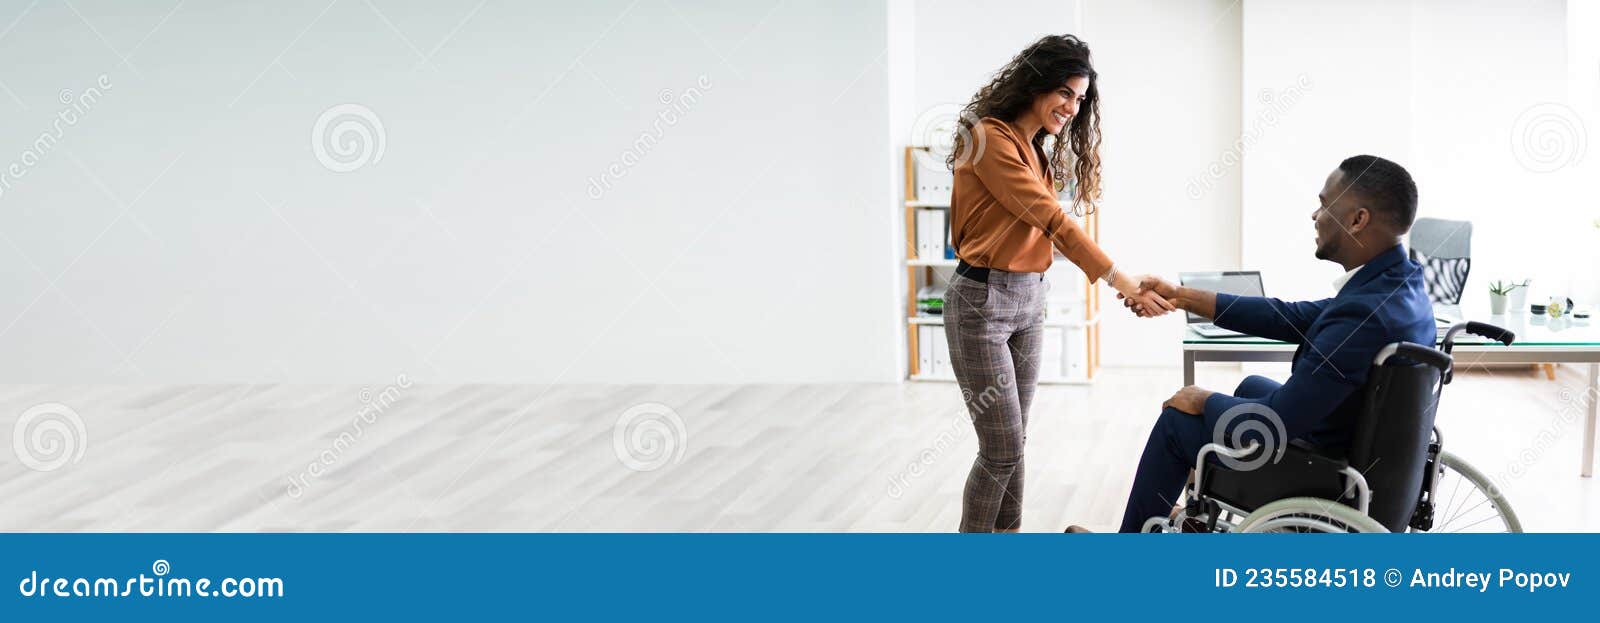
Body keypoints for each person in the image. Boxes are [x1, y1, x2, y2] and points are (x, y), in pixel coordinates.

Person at [1098, 155, 1435, 533]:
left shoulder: (1363, 315)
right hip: (1359, 446)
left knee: (1177, 422)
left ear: (1358, 220)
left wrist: (1202, 399)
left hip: (1326, 475)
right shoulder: (1396, 284)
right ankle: (1185, 518)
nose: (1315, 216)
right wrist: (1181, 296)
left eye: (1324, 205)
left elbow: (1278, 420)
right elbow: (1287, 316)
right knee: (1250, 386)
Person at [943, 34, 1172, 533]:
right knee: (1001, 448)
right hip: (982, 302)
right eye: (1065, 93)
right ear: (1036, 84)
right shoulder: (989, 138)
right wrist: (1122, 281)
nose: (1072, 107)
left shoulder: (1035, 150)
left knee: (1014, 443)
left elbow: (1045, 233)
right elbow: (1051, 219)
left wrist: (1126, 282)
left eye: (1080, 98)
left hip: (1029, 298)